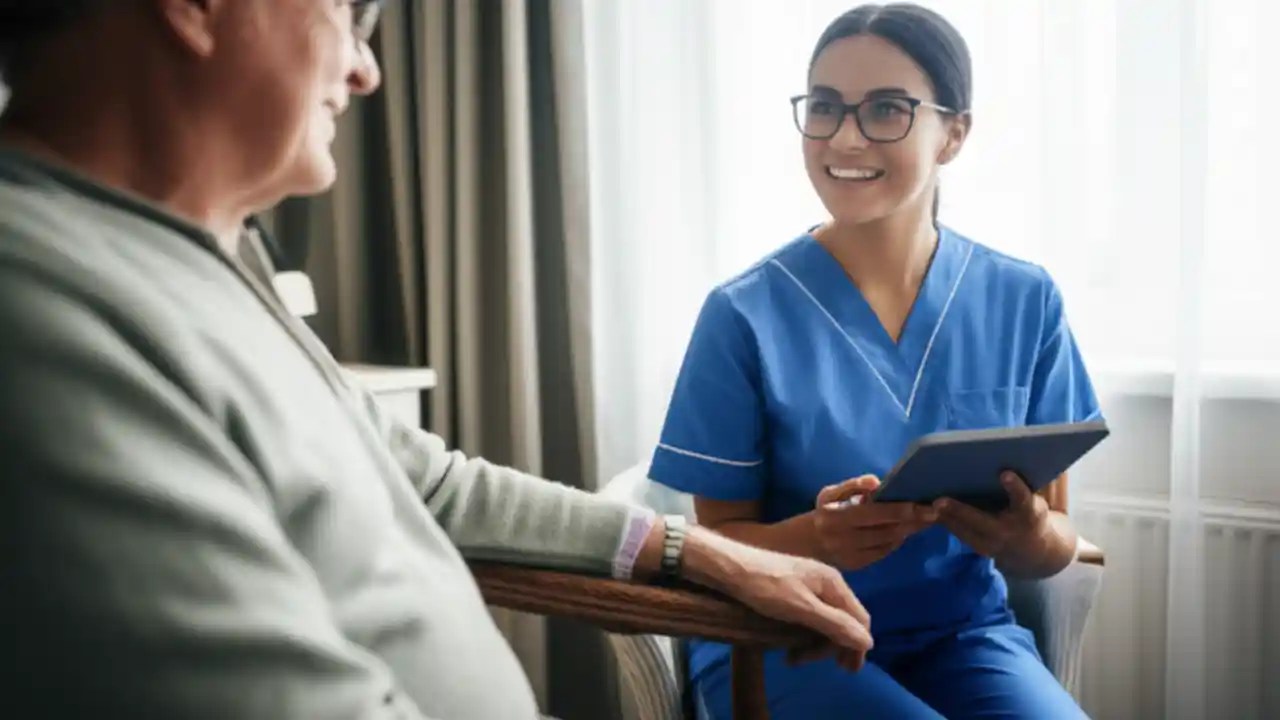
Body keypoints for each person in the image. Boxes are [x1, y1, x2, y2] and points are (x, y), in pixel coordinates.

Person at [0, 2, 875, 718]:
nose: (365, 69)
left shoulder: (220, 257)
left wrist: (701, 552)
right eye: (349, 12)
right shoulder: (40, 312)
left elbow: (431, 482)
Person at [649, 4, 1101, 719]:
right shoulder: (742, 315)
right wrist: (815, 539)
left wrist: (1030, 536)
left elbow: (1056, 537)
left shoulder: (1025, 300)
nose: (845, 137)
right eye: (824, 107)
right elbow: (719, 542)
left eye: (886, 109)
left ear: (954, 133)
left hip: (963, 636)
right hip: (782, 633)